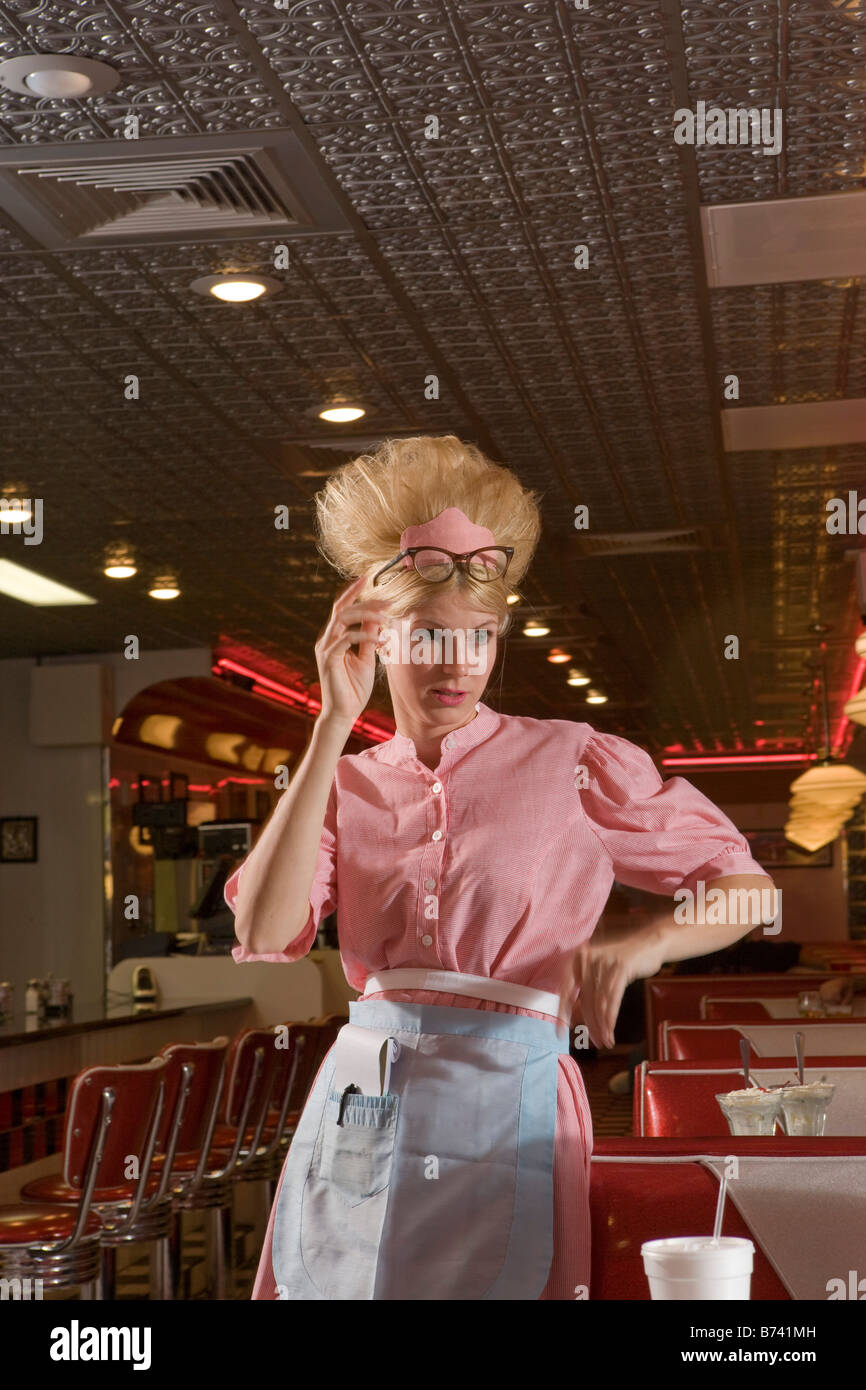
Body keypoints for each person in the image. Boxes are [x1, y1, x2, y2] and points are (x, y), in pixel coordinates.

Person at [225, 434, 774, 1301]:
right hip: (365, 1094)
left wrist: (643, 947)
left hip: (511, 1095)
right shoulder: (347, 784)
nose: (458, 663)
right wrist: (331, 726)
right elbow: (262, 932)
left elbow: (744, 884)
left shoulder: (573, 761)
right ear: (374, 640)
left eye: (481, 636)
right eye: (429, 636)